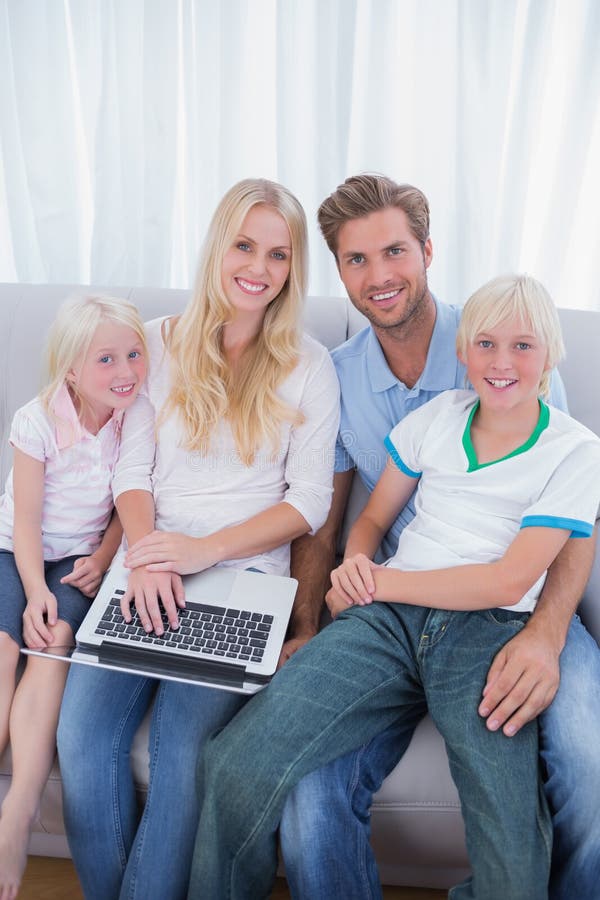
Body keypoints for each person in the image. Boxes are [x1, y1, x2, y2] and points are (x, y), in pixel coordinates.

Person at [193, 174, 600, 900]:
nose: (379, 276)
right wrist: (317, 614)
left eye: (394, 252)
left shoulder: (508, 356)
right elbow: (337, 513)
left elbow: (562, 536)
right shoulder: (350, 380)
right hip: (386, 607)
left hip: (510, 614)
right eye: (357, 260)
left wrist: (545, 631)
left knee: (581, 760)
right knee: (290, 789)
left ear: (427, 251)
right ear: (338, 272)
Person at [56, 178, 340, 900]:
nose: (259, 267)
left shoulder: (308, 363)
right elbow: (133, 467)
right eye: (245, 245)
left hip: (243, 581)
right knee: (83, 744)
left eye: (278, 254)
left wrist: (204, 552)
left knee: (185, 755)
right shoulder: (153, 341)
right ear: (217, 246)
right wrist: (149, 553)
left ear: (292, 268)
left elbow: (307, 502)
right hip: (148, 564)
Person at [0, 294, 147, 900]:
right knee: (7, 645)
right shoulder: (36, 421)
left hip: (81, 563)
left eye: (134, 354)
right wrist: (33, 591)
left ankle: (19, 813)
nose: (125, 372)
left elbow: (129, 499)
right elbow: (27, 523)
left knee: (56, 640)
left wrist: (106, 556)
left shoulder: (134, 416)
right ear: (71, 372)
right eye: (106, 360)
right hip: (18, 552)